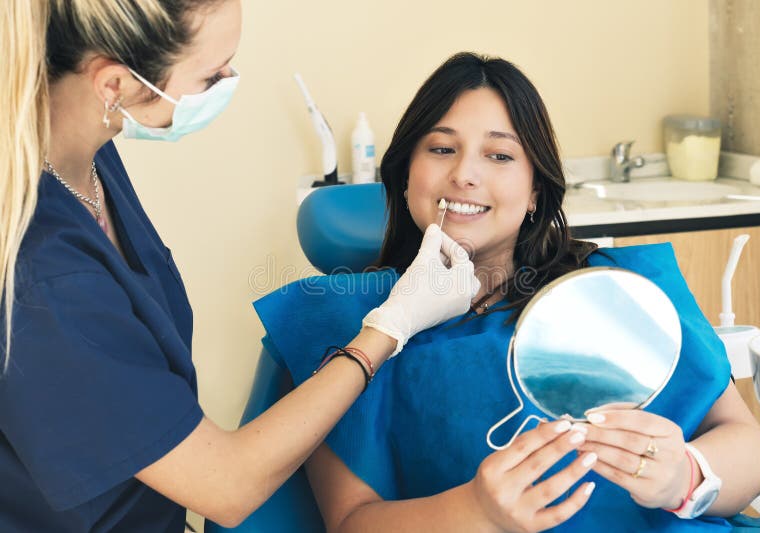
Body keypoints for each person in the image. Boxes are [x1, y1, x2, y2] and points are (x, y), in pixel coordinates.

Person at [0, 2, 479, 531]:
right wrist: (391, 326)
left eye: (500, 156)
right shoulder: (44, 275)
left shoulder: (84, 158)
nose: (466, 177)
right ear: (113, 85)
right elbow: (227, 486)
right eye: (211, 75)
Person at [255, 53, 760, 532]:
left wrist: (686, 475)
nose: (465, 175)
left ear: (534, 192)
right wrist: (475, 511)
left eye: (500, 156)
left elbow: (748, 447)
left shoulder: (617, 288)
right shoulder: (343, 325)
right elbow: (352, 522)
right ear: (405, 177)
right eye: (441, 149)